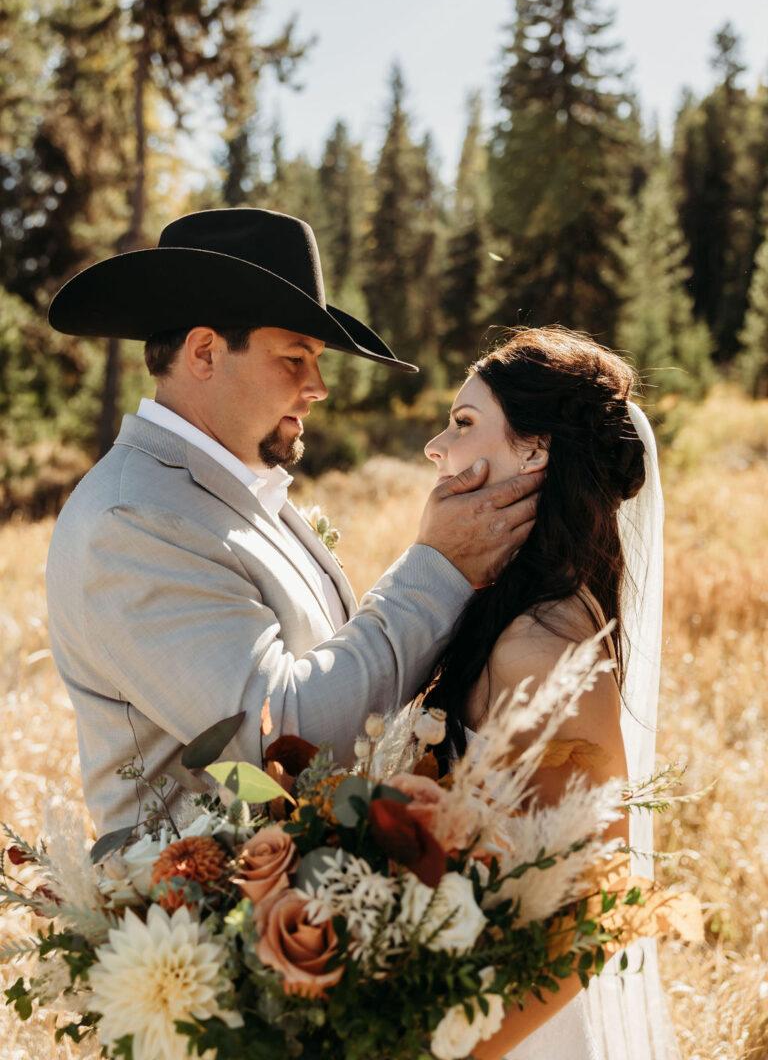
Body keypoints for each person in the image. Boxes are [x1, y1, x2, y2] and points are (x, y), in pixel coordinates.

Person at [44, 207, 541, 836]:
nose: (319, 386)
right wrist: (438, 569)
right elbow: (283, 737)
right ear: (205, 352)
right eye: (294, 358)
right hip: (203, 919)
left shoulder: (231, 490)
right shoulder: (134, 520)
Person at [421, 326, 676, 1060]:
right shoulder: (507, 610)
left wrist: (462, 1050)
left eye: (464, 424)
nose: (437, 446)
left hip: (511, 1030)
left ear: (535, 452)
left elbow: (596, 911)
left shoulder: (542, 647)